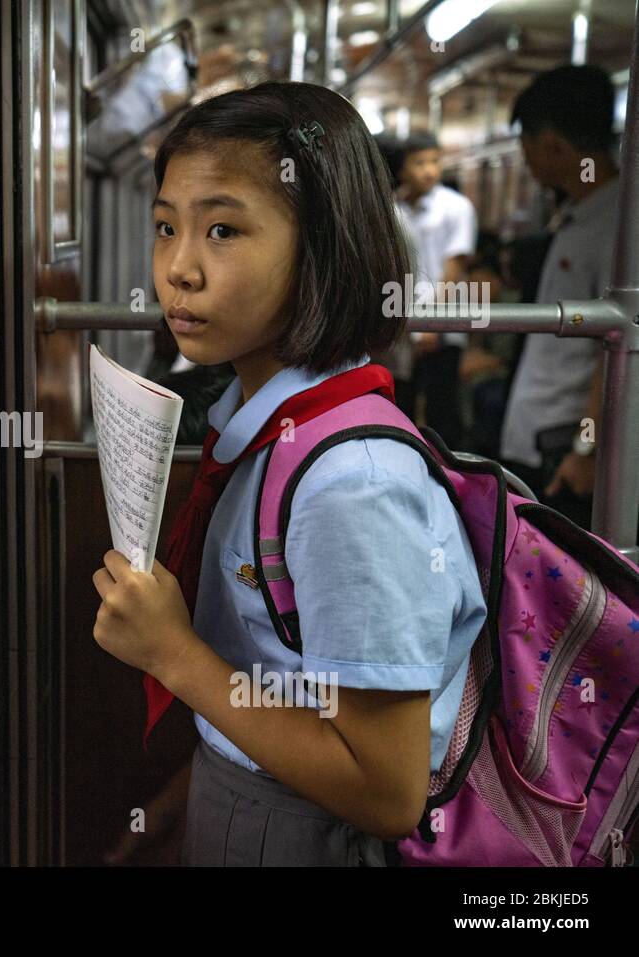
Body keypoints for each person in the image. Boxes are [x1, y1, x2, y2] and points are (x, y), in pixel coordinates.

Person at [88, 82, 486, 866]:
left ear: (324, 248)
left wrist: (174, 654)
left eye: (224, 230)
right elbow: (275, 675)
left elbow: (384, 787)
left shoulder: (351, 484)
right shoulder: (270, 427)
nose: (179, 269)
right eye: (166, 227)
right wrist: (197, 790)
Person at [498, 65, 620, 530]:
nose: (526, 160)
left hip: (565, 457)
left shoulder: (617, 229)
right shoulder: (576, 215)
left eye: (526, 145)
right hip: (537, 439)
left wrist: (586, 451)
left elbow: (616, 347)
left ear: (552, 143)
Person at [394, 131, 479, 450]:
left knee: (441, 406)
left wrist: (431, 324)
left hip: (441, 324)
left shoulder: (456, 207)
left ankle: (451, 477)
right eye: (419, 163)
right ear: (402, 169)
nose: (429, 169)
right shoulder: (393, 208)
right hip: (403, 324)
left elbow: (453, 268)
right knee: (401, 403)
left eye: (434, 161)